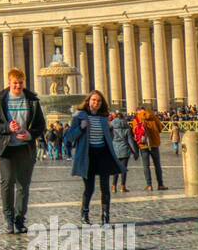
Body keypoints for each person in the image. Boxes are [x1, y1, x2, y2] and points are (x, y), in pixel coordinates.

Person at [0, 68, 45, 235]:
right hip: (6, 148)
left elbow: (40, 125)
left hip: (25, 148)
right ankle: (8, 219)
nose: (18, 86)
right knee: (6, 184)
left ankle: (20, 220)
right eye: (15, 83)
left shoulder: (32, 100)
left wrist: (30, 134)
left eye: (20, 83)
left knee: (23, 186)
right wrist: (7, 127)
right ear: (9, 83)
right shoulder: (0, 100)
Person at [64, 90, 124, 224]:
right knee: (89, 188)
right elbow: (69, 137)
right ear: (88, 101)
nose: (96, 103)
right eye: (93, 100)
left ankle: (105, 216)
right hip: (88, 155)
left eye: (99, 101)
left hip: (103, 154)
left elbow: (110, 138)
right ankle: (84, 214)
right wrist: (80, 128)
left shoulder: (104, 118)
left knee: (105, 187)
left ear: (101, 103)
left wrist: (110, 129)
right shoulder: (79, 116)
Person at [135, 107, 167, 191]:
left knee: (146, 166)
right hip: (154, 144)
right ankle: (160, 184)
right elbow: (160, 129)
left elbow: (134, 132)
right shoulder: (154, 117)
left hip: (143, 145)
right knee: (157, 165)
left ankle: (149, 185)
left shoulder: (137, 119)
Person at [109, 111, 138, 193]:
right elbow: (130, 142)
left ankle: (114, 187)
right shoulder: (127, 128)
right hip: (125, 150)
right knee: (123, 169)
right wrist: (135, 152)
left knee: (116, 169)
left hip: (115, 150)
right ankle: (123, 186)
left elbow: (109, 139)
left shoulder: (112, 128)